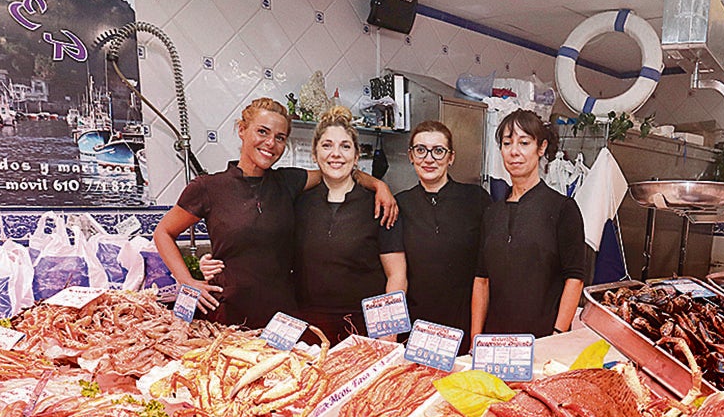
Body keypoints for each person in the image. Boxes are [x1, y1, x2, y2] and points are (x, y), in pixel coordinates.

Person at [151, 97, 397, 327]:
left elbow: (334, 168)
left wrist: (378, 184)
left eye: (280, 137)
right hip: (229, 310)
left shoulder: (288, 182)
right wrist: (187, 281)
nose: (270, 143)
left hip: (283, 316)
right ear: (242, 130)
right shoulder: (208, 187)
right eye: (262, 132)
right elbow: (163, 231)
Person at [471, 109, 587, 339]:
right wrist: (475, 338)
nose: (514, 152)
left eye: (524, 143)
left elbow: (575, 278)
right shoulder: (492, 213)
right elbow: (481, 280)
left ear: (541, 148)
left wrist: (557, 334)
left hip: (542, 339)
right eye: (507, 143)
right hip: (495, 342)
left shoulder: (562, 208)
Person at [294, 106, 406, 342]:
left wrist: (388, 331)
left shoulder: (380, 205)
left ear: (356, 157)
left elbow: (397, 274)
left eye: (345, 146)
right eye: (327, 146)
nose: (336, 154)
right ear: (314, 154)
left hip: (363, 328)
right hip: (309, 327)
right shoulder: (297, 203)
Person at [395, 120, 491, 338]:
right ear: (411, 156)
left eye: (438, 151)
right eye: (420, 150)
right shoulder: (399, 205)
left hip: (465, 326)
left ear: (451, 157)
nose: (429, 159)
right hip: (416, 330)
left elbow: (487, 272)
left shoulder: (477, 199)